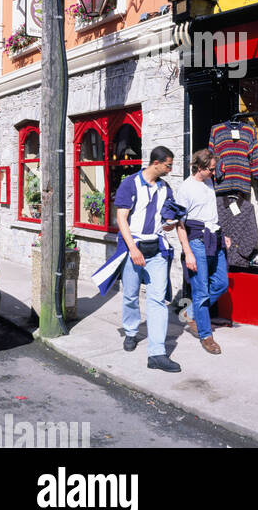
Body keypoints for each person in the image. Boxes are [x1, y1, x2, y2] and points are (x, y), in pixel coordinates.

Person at [100, 146, 181, 373]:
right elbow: (121, 218)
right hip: (132, 247)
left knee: (157, 300)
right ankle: (131, 332)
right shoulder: (130, 184)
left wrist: (169, 223)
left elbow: (166, 217)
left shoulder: (166, 189)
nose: (170, 169)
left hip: (156, 250)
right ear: (156, 163)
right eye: (168, 165)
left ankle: (157, 353)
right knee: (131, 295)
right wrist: (133, 248)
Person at [178, 149, 233, 356]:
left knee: (221, 283)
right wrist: (187, 251)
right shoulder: (185, 189)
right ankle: (206, 336)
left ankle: (191, 313)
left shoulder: (209, 182)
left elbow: (211, 214)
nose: (214, 172)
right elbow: (179, 223)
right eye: (210, 169)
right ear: (199, 168)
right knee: (200, 291)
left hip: (214, 237)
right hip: (197, 240)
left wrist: (223, 234)